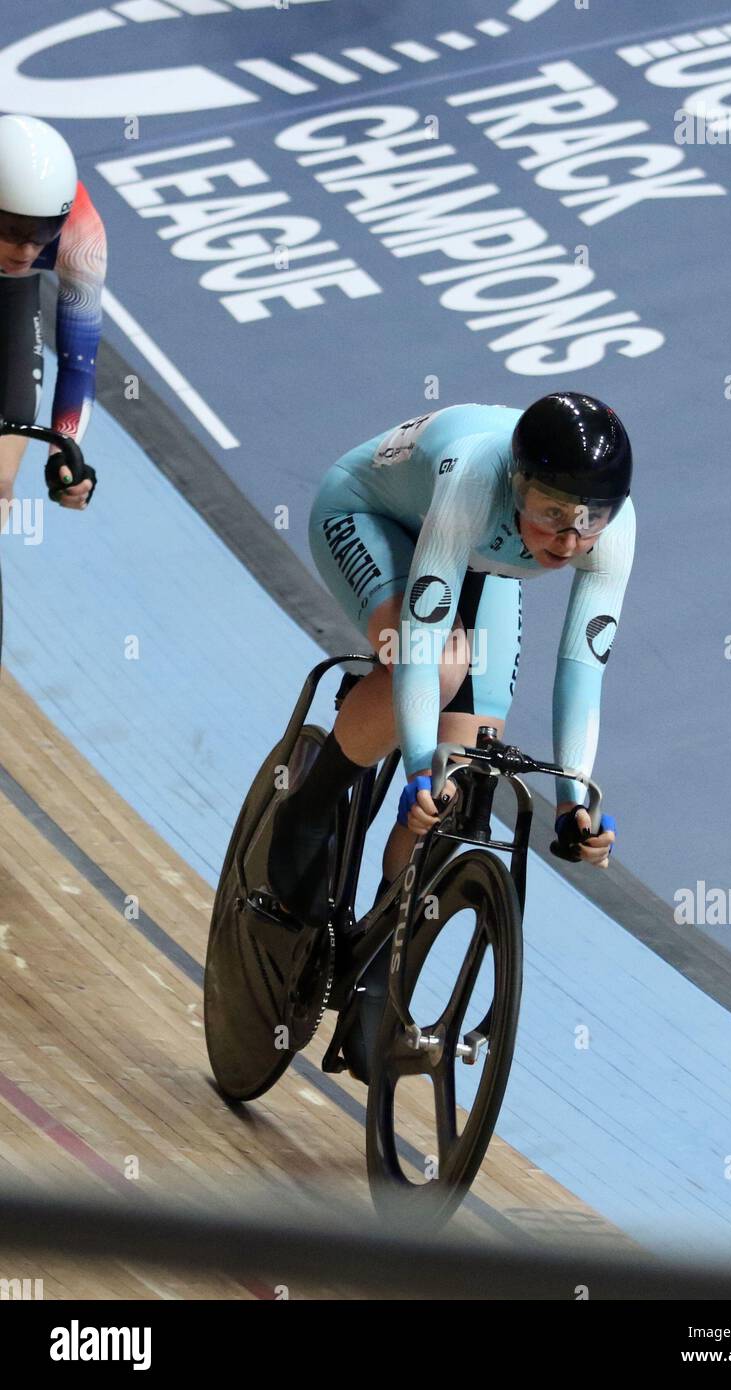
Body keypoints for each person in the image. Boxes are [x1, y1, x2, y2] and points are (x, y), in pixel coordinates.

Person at [268, 392, 635, 1080]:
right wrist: (412, 767)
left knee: (467, 767)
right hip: (370, 516)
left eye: (589, 520)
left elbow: (583, 672)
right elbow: (424, 642)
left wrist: (572, 802)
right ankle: (311, 807)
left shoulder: (611, 530)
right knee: (439, 666)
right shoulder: (475, 478)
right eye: (553, 511)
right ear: (519, 486)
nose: (569, 539)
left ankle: (378, 971)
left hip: (480, 560)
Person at [0, 115, 106, 509]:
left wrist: (64, 456)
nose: (27, 252)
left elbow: (78, 361)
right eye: (11, 230)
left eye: (43, 232)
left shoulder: (82, 234)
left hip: (13, 295)